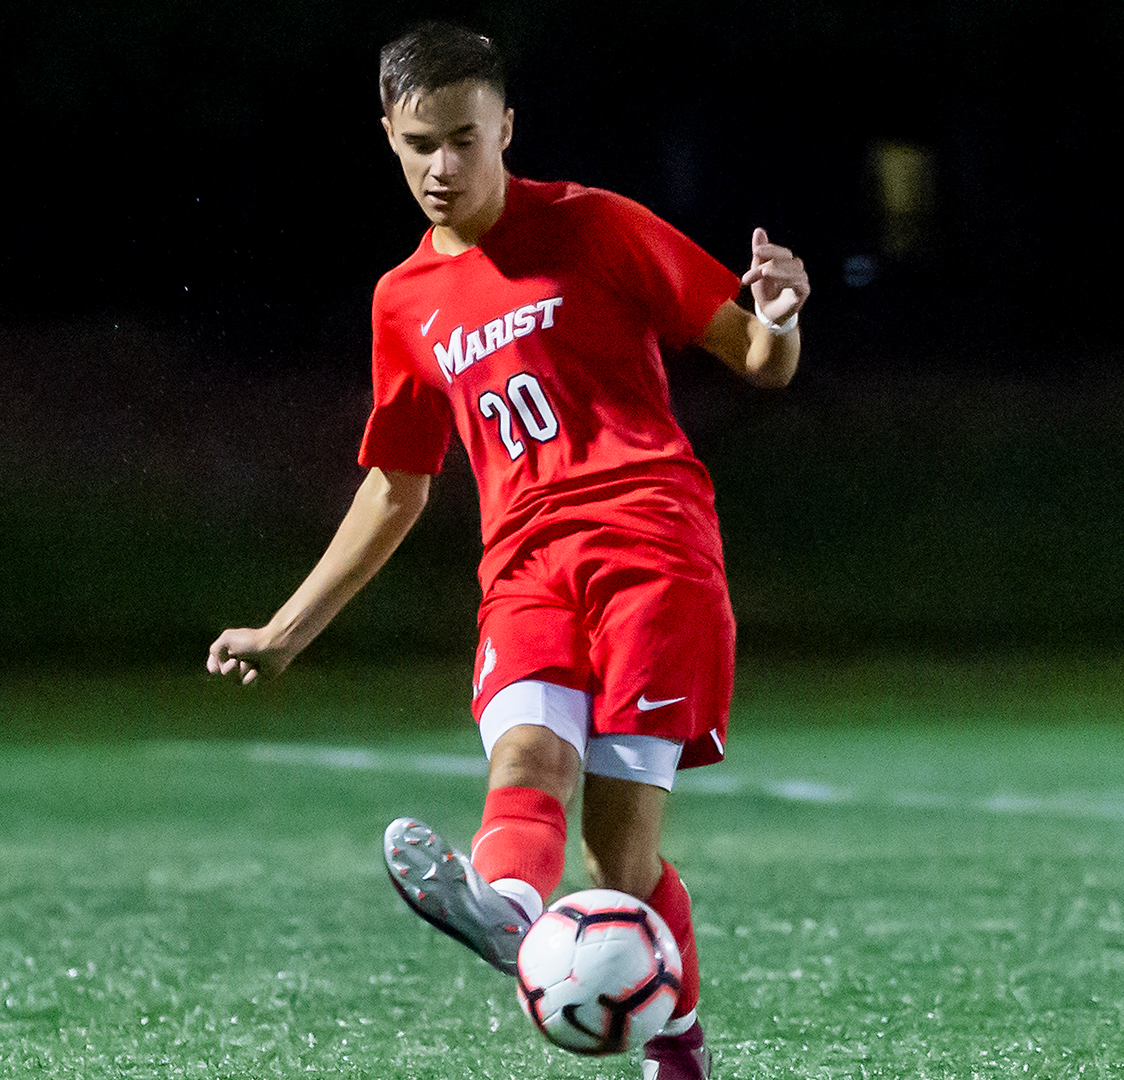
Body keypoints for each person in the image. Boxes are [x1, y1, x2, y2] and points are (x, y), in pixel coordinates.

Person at [206, 22, 809, 1080]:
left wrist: (782, 314)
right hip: (524, 571)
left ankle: (673, 1043)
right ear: (389, 139)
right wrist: (286, 630)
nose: (443, 167)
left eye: (465, 140)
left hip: (652, 551)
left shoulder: (597, 224)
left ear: (507, 129)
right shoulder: (403, 301)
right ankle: (510, 915)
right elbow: (397, 485)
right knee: (526, 761)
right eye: (419, 145)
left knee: (618, 860)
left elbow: (759, 358)